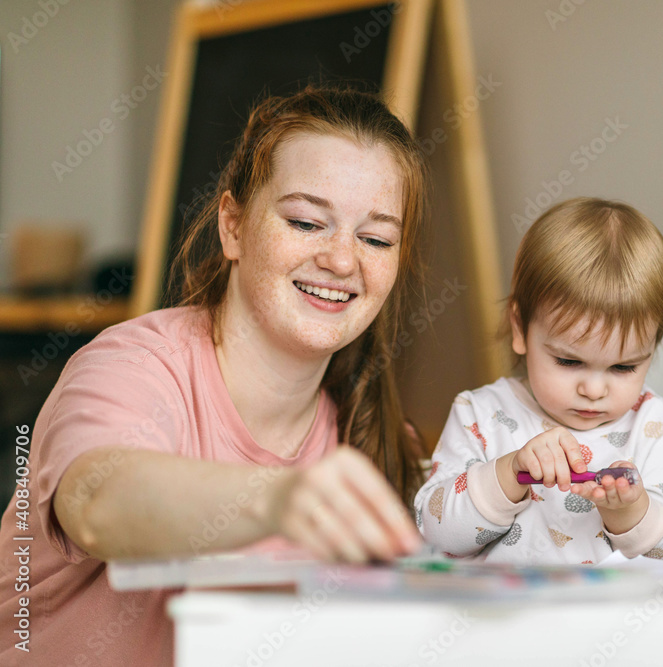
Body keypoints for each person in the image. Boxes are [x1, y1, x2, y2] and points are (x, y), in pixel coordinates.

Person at [0, 86, 427, 666]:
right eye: (305, 222)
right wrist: (280, 499)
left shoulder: (376, 439)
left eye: (376, 238)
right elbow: (98, 500)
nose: (343, 260)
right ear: (232, 225)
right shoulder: (131, 366)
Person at [414, 197, 663, 564]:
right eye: (568, 360)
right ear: (520, 328)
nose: (594, 390)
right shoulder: (480, 414)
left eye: (623, 367)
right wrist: (509, 472)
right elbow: (436, 533)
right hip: (500, 618)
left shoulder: (659, 427)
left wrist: (631, 513)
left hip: (618, 620)